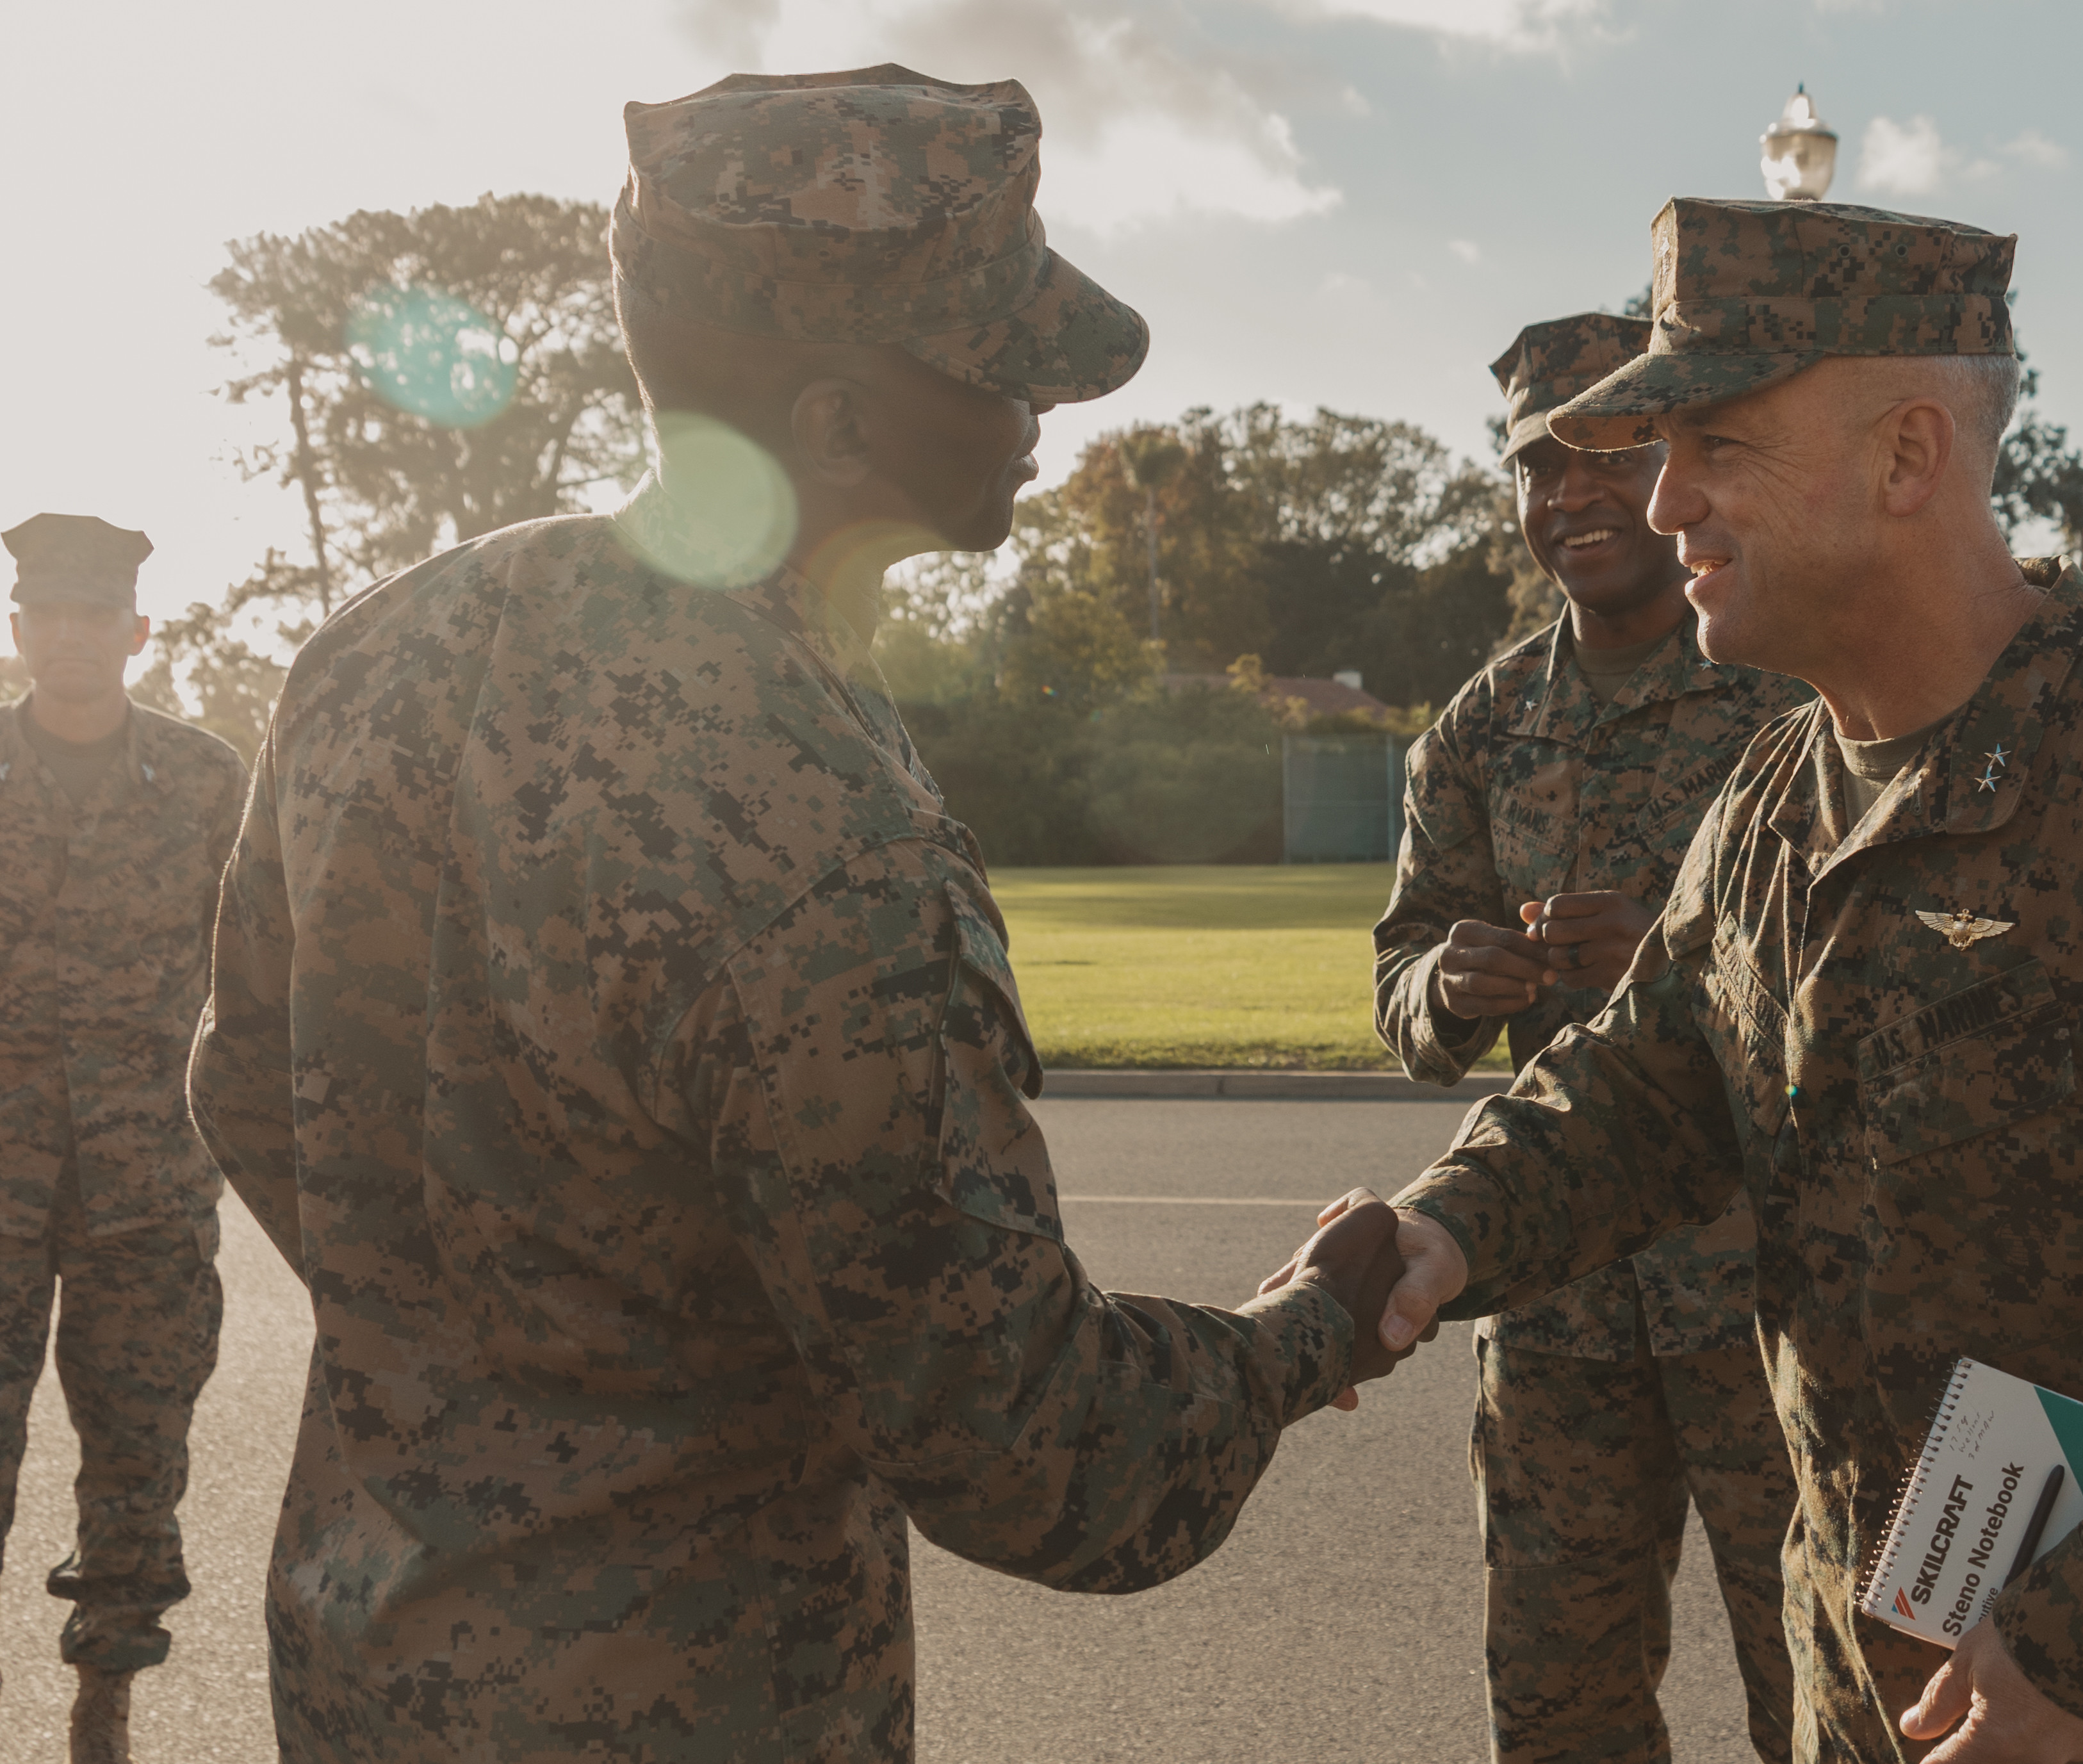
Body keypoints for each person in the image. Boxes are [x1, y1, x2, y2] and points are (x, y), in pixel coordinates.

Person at [186, 66, 1409, 1763]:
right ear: (838, 420)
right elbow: (1036, 1453)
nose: (1041, 405)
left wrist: (504, 1345)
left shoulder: (374, 653)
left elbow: (244, 1086)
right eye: (1000, 364)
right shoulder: (816, 824)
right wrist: (1305, 1333)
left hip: (366, 1668)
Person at [1336, 200, 2083, 1764]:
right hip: (1866, 1687)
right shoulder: (1779, 795)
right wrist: (1442, 1233)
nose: (1664, 499)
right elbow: (1650, 1081)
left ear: (1906, 458)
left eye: (1717, 446)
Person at [1373, 311, 1811, 1763]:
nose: (1566, 499)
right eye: (1532, 468)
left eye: (1607, 456)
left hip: (1768, 1304)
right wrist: (1445, 983)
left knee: (1821, 1694)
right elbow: (1397, 973)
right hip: (1553, 1299)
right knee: (1558, 1700)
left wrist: (1702, 970)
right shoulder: (1482, 729)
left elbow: (1897, 989)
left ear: (1681, 458)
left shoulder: (1793, 694)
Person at [0, 514, 247, 1764]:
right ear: (16, 630)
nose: (71, 639)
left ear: (136, 633)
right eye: (46, 614)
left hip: (145, 1176)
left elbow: (262, 967)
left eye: (95, 617)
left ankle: (106, 1707)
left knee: (139, 1447)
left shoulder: (209, 783)